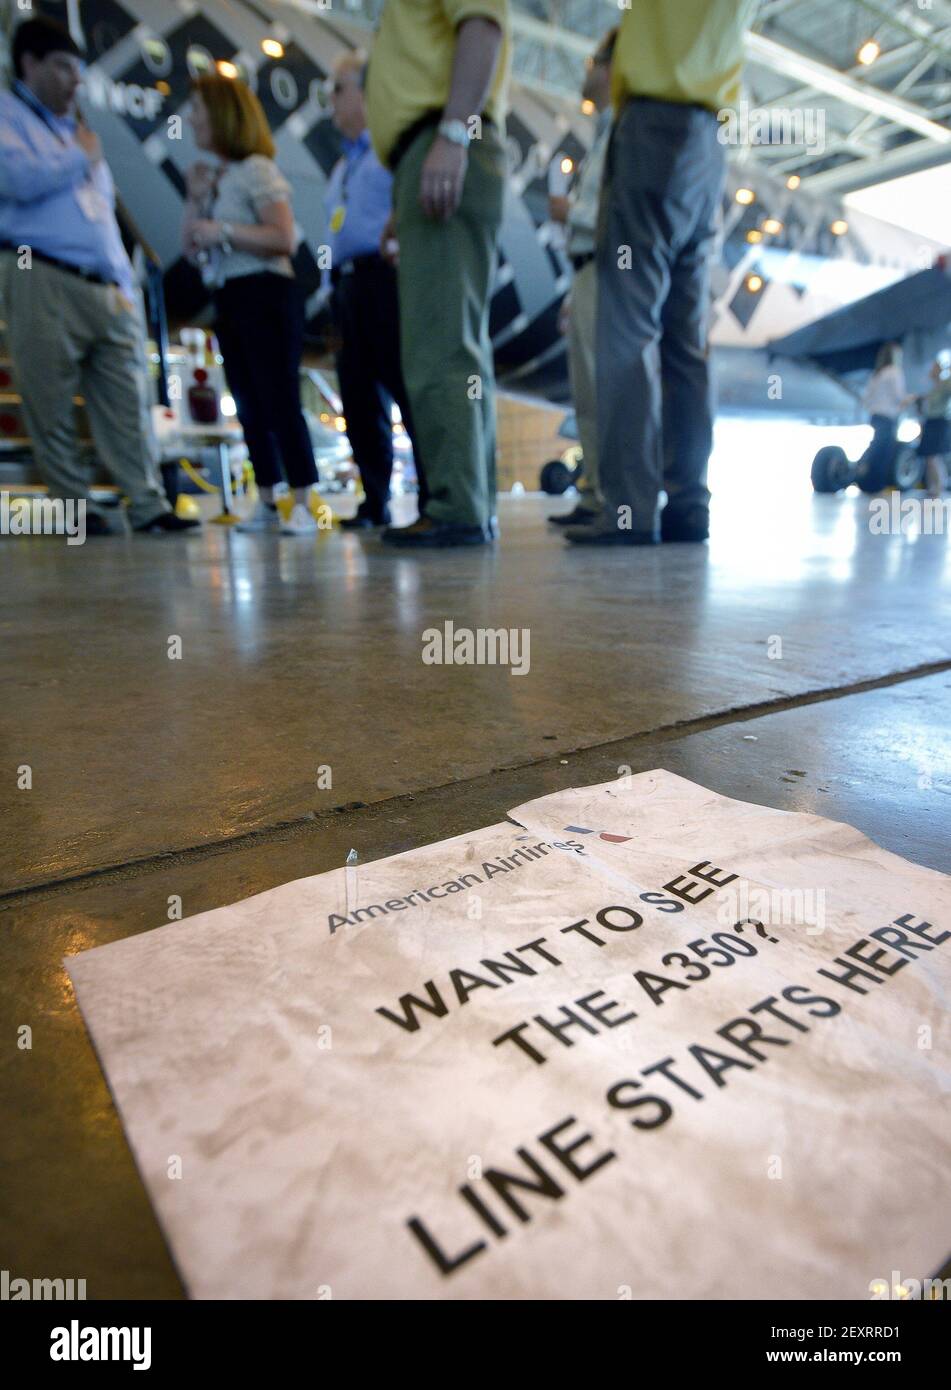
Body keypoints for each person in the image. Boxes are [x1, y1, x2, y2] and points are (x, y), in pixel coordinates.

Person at [566, 0, 760, 547]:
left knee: (627, 323)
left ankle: (628, 509)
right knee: (686, 335)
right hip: (707, 141)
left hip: (651, 126)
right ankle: (689, 503)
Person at [0, 16, 194, 535]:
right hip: (40, 271)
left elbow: (102, 211)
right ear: (30, 64)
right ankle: (75, 507)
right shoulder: (11, 116)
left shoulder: (78, 130)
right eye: (63, 67)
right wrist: (78, 155)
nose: (74, 81)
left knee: (127, 399)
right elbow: (16, 180)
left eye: (78, 71)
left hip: (107, 285)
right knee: (50, 397)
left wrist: (125, 281)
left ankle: (148, 503)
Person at [366, 0, 511, 548]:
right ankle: (464, 503)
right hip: (431, 144)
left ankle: (459, 509)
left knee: (442, 340)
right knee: (450, 334)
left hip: (445, 135)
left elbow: (482, 24)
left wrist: (452, 135)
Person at [184, 74, 318, 536]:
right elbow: (190, 247)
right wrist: (196, 200)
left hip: (267, 291)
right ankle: (267, 496)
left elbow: (281, 237)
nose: (192, 119)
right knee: (247, 399)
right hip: (231, 294)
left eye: (198, 109)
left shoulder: (258, 169)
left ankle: (302, 498)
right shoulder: (217, 179)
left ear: (222, 114)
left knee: (279, 395)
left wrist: (223, 231)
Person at [325, 51, 422, 530]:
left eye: (337, 90)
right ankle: (375, 499)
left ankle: (432, 498)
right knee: (358, 398)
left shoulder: (391, 153)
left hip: (385, 278)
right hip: (346, 287)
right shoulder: (343, 170)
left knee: (403, 385)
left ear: (364, 93)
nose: (331, 103)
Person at [547, 28, 617, 530]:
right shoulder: (604, 133)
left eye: (594, 62)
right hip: (587, 270)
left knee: (604, 389)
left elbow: (610, 217)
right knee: (587, 392)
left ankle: (613, 497)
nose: (585, 72)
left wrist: (565, 212)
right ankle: (595, 491)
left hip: (607, 266)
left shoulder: (623, 132)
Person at [862, 343, 907, 482]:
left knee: (876, 446)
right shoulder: (895, 372)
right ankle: (877, 483)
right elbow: (899, 397)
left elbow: (867, 398)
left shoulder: (877, 373)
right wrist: (911, 399)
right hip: (888, 416)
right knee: (883, 452)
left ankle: (864, 474)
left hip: (875, 415)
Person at [916, 356, 951, 498]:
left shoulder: (945, 384)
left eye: (934, 367)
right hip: (930, 421)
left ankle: (939, 488)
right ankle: (933, 487)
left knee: (934, 456)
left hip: (939, 422)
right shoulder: (932, 387)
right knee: (929, 457)